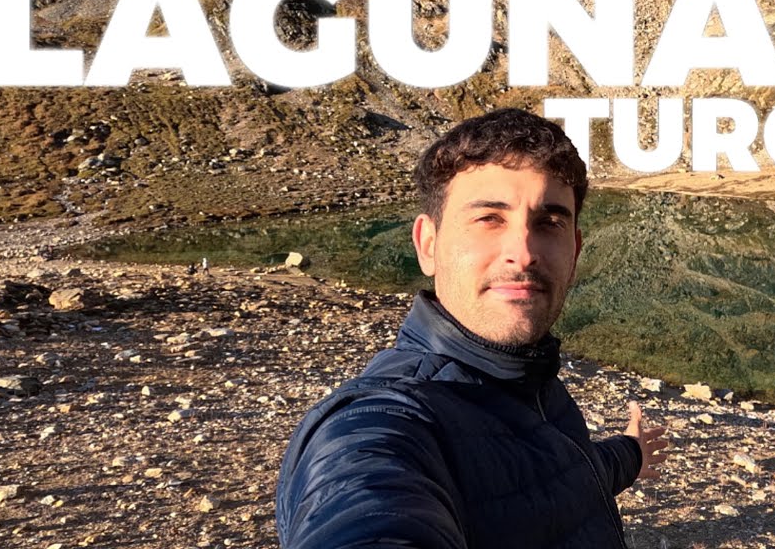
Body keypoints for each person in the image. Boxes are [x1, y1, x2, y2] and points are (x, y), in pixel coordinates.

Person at [276, 108, 668, 549]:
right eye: (489, 218)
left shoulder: (534, 388)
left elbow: (562, 475)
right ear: (428, 244)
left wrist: (630, 455)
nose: (522, 253)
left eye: (549, 222)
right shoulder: (382, 421)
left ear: (574, 250)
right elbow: (366, 500)